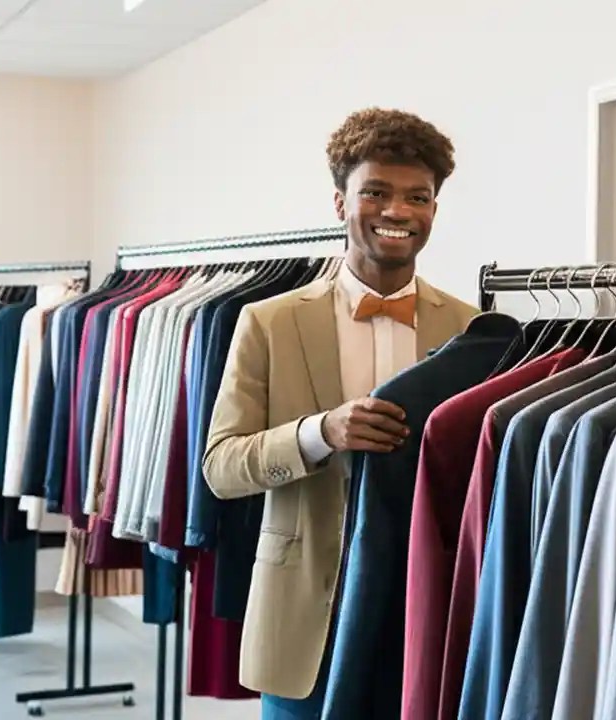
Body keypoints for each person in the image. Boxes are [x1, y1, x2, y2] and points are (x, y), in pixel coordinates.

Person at [202, 107, 479, 718]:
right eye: (376, 192)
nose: (398, 212)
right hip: (307, 607)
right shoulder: (269, 321)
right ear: (339, 202)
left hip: (422, 603)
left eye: (419, 197)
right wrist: (318, 433)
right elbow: (220, 467)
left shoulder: (472, 330)